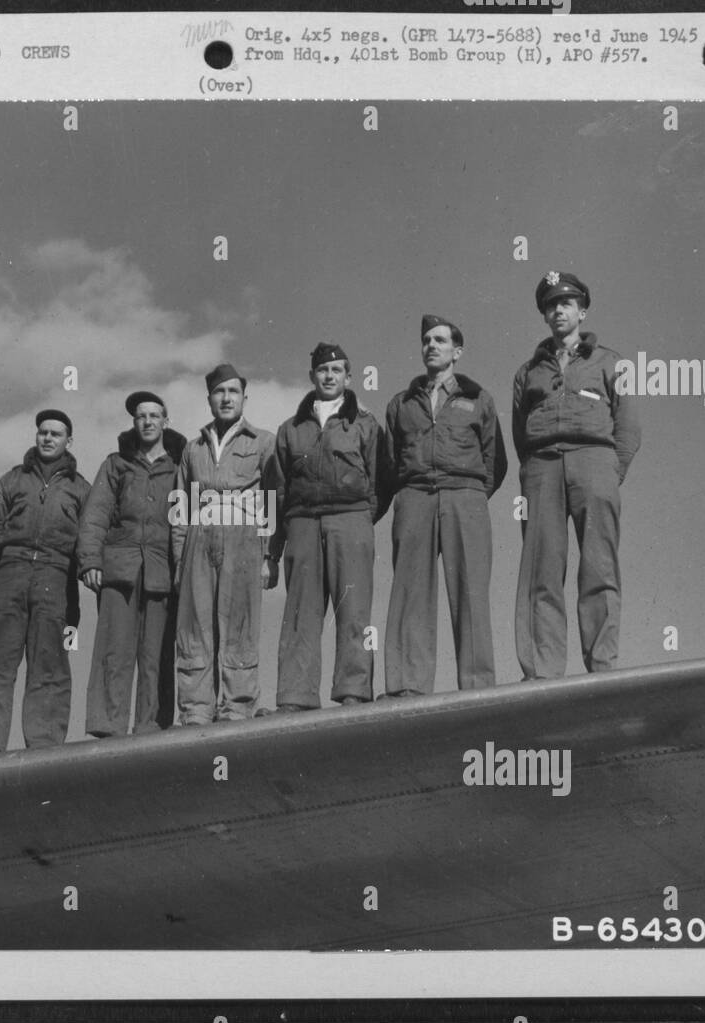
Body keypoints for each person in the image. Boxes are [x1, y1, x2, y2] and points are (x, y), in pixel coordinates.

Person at [512, 271, 640, 678]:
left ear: (582, 311)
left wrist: (607, 472)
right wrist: (536, 469)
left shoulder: (610, 362)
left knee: (599, 565)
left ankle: (602, 667)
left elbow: (629, 427)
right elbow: (519, 431)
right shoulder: (528, 371)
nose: (557, 311)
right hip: (542, 468)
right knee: (541, 569)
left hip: (595, 463)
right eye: (550, 305)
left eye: (565, 303)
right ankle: (543, 671)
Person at [384, 315, 507, 693]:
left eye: (439, 340)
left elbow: (495, 461)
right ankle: (407, 684)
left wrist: (469, 494)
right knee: (410, 593)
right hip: (415, 498)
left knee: (470, 590)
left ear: (457, 351)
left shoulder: (478, 398)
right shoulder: (402, 403)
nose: (431, 346)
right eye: (426, 340)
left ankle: (477, 684)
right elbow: (389, 461)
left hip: (464, 498)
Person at [267, 342, 386, 711]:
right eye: (323, 370)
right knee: (301, 613)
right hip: (301, 524)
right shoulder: (290, 429)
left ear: (349, 377)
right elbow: (277, 491)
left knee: (354, 611)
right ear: (312, 376)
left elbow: (381, 479)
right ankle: (295, 695)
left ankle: (354, 690)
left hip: (350, 521)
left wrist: (361, 518)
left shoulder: (365, 424)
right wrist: (271, 550)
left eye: (337, 371)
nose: (329, 376)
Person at [0, 411, 90, 751]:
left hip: (55, 577)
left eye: (56, 433)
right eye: (42, 432)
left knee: (50, 663)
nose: (48, 438)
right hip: (9, 574)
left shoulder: (81, 488)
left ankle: (44, 743)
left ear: (69, 441)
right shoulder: (12, 480)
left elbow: (87, 537)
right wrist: (4, 565)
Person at [172, 364, 277, 725]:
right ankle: (196, 710)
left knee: (240, 626)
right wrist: (178, 562)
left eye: (233, 392)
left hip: (243, 535)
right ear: (209, 400)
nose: (226, 398)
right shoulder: (192, 449)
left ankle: (237, 706)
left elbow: (272, 499)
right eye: (220, 392)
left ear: (244, 398)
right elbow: (179, 508)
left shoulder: (263, 441)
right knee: (195, 629)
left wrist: (267, 555)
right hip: (199, 539)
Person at [77, 392, 186, 737]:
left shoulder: (181, 464)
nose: (148, 422)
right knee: (114, 649)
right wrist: (91, 559)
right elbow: (95, 514)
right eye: (142, 416)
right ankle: (107, 725)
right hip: (120, 568)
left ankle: (151, 724)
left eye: (155, 415)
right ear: (134, 422)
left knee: (157, 653)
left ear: (166, 421)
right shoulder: (115, 463)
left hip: (161, 569)